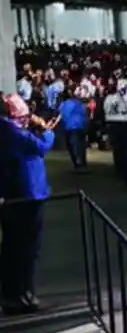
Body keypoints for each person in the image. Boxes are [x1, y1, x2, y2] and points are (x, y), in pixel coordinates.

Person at [0, 95, 57, 314]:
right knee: (23, 249)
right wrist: (47, 130)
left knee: (19, 248)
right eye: (22, 116)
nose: (26, 120)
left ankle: (19, 294)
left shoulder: (10, 129)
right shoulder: (10, 130)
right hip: (25, 195)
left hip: (23, 195)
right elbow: (41, 146)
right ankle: (18, 295)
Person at [58, 88, 90, 172]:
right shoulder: (80, 104)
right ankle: (83, 164)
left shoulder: (63, 104)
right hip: (80, 127)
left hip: (70, 128)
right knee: (81, 146)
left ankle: (77, 164)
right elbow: (85, 116)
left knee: (73, 147)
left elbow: (62, 116)